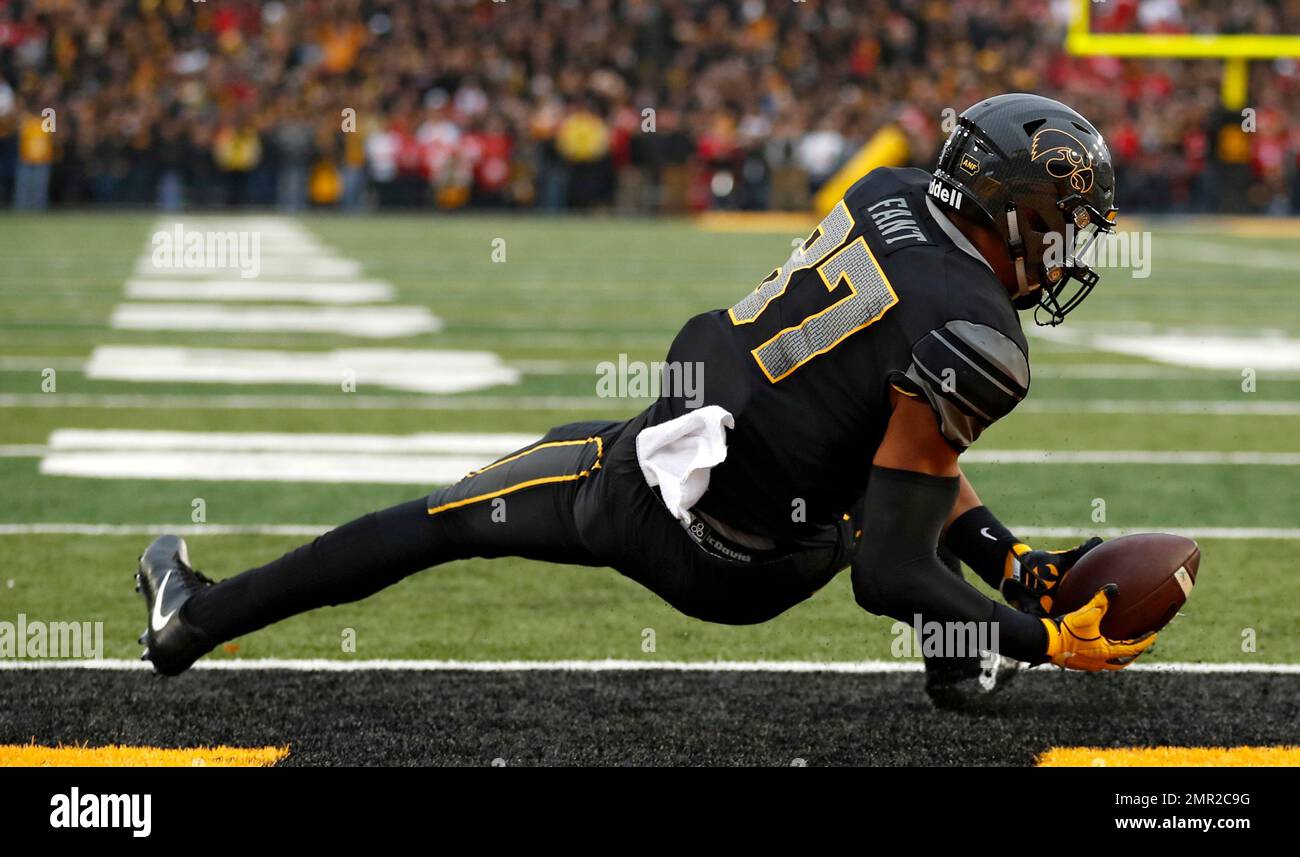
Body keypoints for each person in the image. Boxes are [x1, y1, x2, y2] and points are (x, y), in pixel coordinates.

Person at [134, 94, 1153, 708]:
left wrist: (1017, 582)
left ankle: (192, 618)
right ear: (1011, 206)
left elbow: (890, 549)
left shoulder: (882, 192)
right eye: (1063, 220)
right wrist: (1030, 615)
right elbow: (894, 504)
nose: (1068, 245)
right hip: (770, 539)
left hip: (679, 504)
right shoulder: (976, 332)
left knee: (444, 518)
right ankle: (962, 662)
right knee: (870, 480)